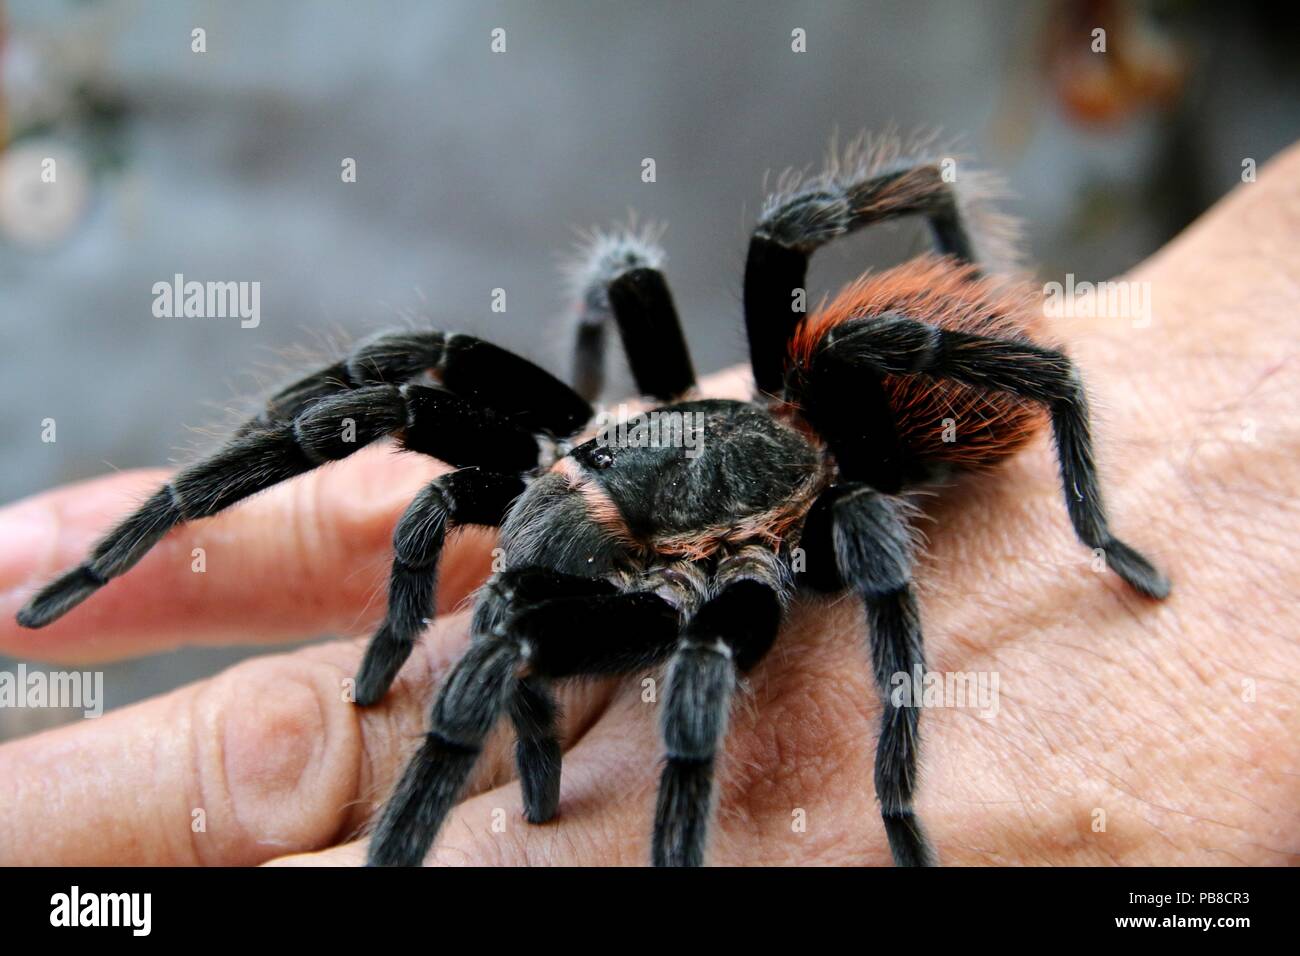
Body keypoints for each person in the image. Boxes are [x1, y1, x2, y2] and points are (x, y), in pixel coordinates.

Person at [0, 144, 1296, 868]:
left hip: (879, 442)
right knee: (397, 379)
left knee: (791, 258)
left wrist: (897, 799)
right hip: (732, 427)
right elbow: (580, 304)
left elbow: (882, 564)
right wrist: (573, 412)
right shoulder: (574, 458)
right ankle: (143, 533)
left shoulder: (841, 511)